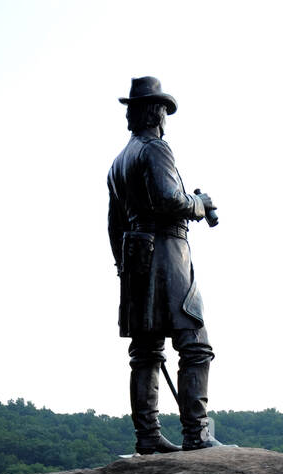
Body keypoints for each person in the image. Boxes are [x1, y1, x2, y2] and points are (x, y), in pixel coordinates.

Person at [107, 76, 226, 452]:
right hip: (168, 252)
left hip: (134, 259)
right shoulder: (156, 149)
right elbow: (169, 199)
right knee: (195, 343)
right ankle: (197, 433)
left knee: (145, 351)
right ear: (158, 114)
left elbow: (113, 224)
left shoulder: (118, 161)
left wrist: (123, 266)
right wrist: (200, 203)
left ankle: (147, 437)